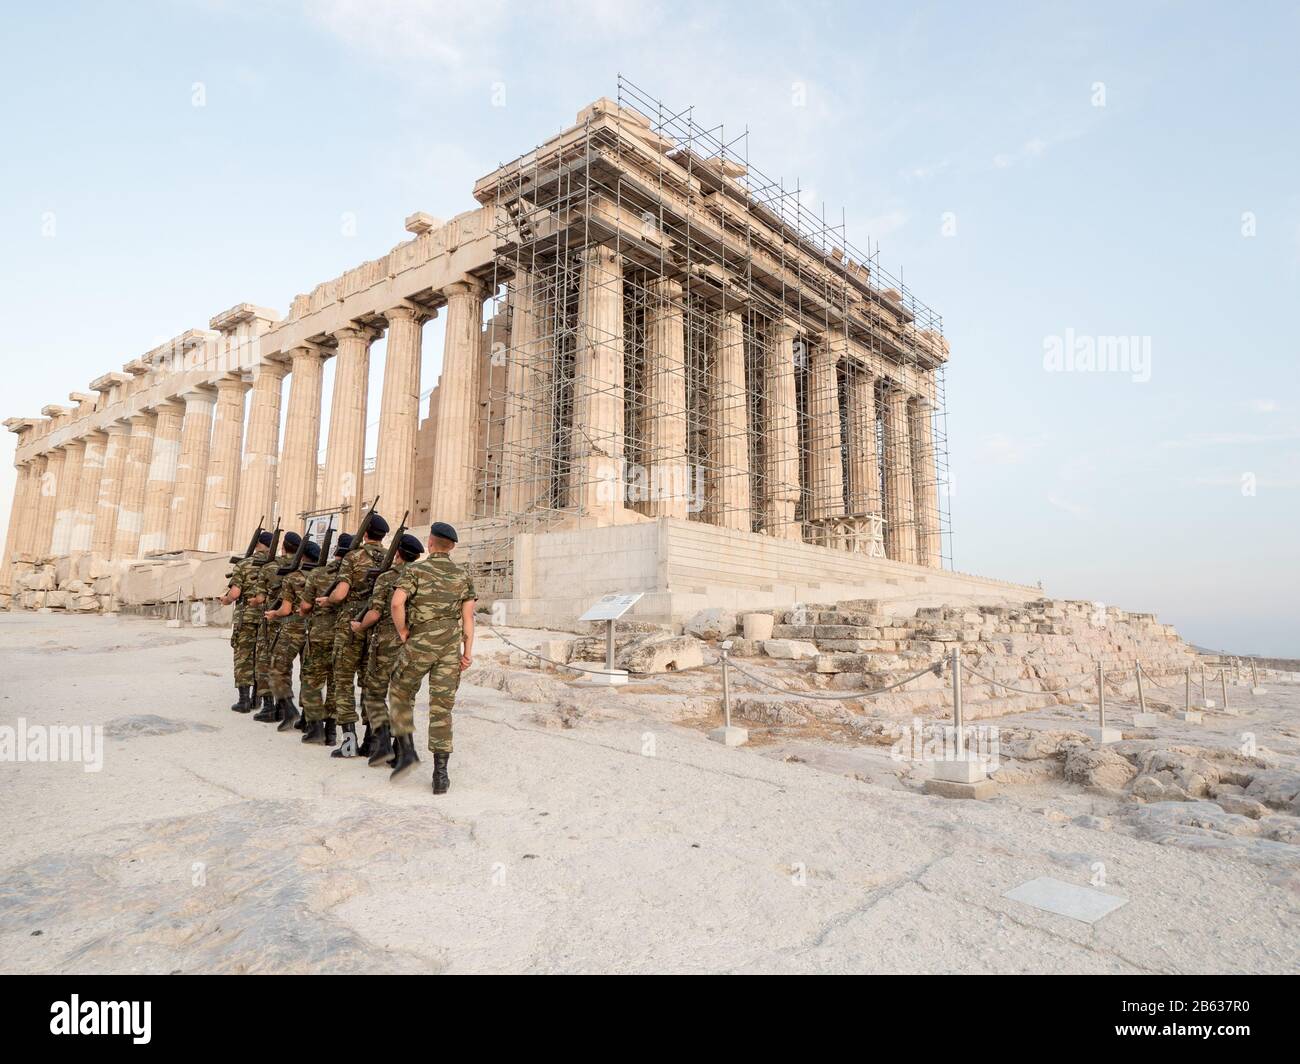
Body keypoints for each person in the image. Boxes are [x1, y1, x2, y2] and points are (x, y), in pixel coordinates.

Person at [386, 521, 476, 794]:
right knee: (442, 708)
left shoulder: (415, 570)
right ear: (452, 547)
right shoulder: (463, 575)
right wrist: (467, 654)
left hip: (419, 643)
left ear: (430, 543)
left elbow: (396, 603)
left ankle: (404, 752)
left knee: (401, 693)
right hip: (449, 647)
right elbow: (468, 619)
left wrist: (402, 630)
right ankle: (440, 774)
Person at [352, 532, 425, 768]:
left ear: (398, 554)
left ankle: (382, 743)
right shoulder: (423, 576)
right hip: (412, 644)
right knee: (404, 697)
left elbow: (374, 613)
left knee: (374, 694)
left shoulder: (386, 578)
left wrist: (359, 626)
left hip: (385, 643)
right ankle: (402, 751)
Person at [319, 512, 389, 757]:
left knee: (343, 682)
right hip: (376, 627)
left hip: (350, 625)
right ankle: (371, 742)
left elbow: (340, 593)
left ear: (365, 533)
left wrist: (327, 600)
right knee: (371, 683)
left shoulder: (353, 557)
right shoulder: (390, 557)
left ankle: (348, 742)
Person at [301, 533, 351, 746]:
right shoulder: (357, 575)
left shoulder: (319, 573)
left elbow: (305, 606)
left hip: (320, 634)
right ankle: (331, 732)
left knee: (312, 681)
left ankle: (315, 729)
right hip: (345, 636)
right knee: (336, 683)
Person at [264, 539, 319, 732]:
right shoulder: (324, 575)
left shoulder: (293, 577)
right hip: (315, 630)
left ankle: (289, 709)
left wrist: (274, 614)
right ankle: (308, 719)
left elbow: (286, 609)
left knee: (277, 669)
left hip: (293, 628)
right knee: (309, 674)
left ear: (302, 556)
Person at [219, 529, 271, 712]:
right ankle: (258, 699)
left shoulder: (244, 564)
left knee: (244, 657)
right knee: (261, 657)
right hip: (268, 618)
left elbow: (234, 594)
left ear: (257, 544)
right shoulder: (275, 564)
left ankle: (244, 700)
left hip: (246, 617)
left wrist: (225, 600)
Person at [252, 530, 301, 723]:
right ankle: (283, 707)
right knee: (283, 665)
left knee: (264, 661)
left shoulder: (269, 567)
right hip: (292, 623)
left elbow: (260, 598)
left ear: (282, 547)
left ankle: (269, 707)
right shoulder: (303, 567)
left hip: (271, 620)